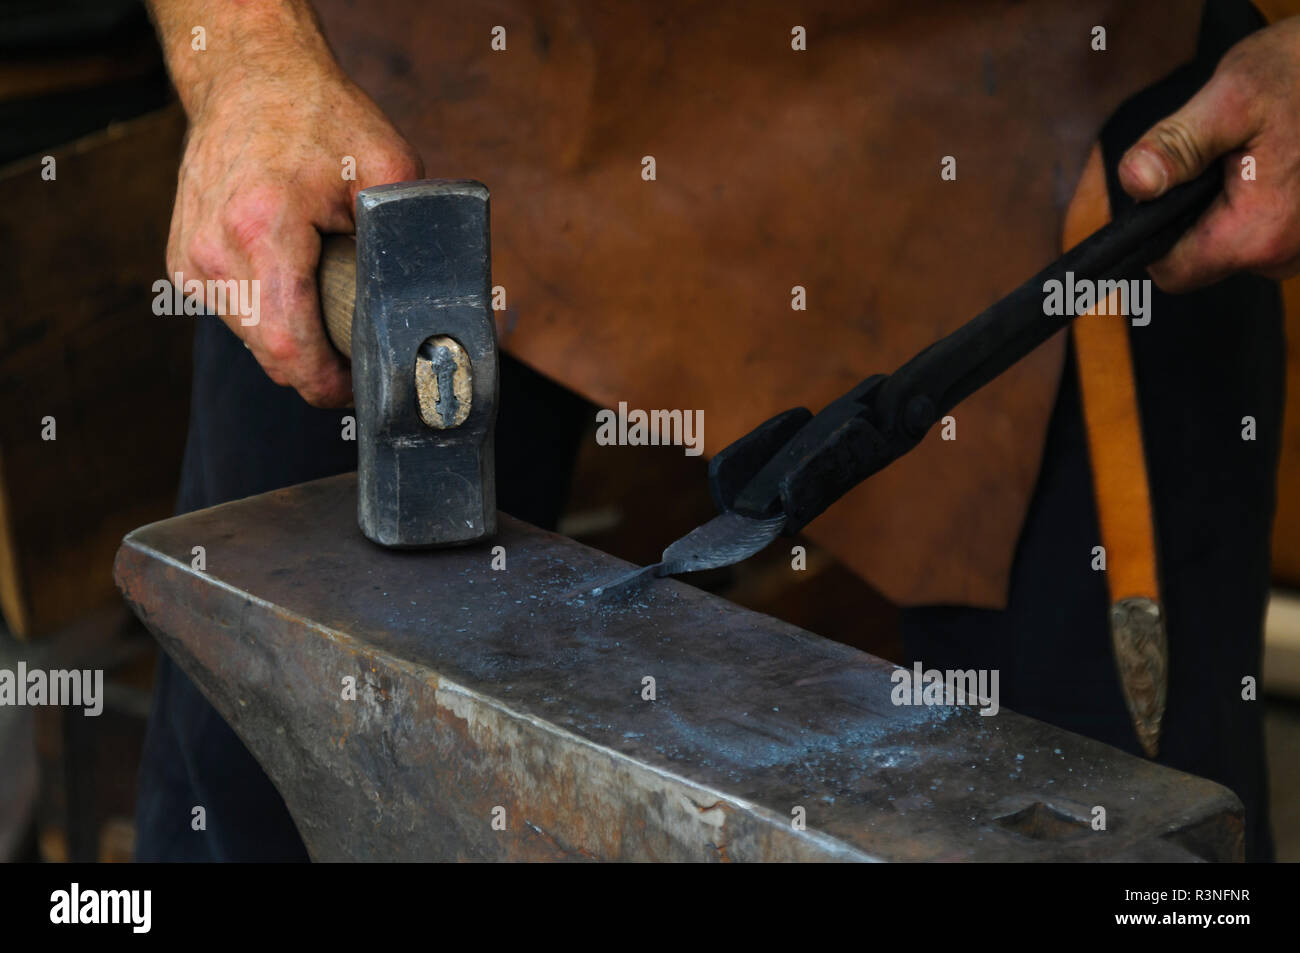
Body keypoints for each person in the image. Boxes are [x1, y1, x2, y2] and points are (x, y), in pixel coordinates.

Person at [137, 0, 1297, 861]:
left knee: (1128, 836)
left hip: (1024, 119)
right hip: (425, 100)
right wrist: (242, 55)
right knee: (257, 746)